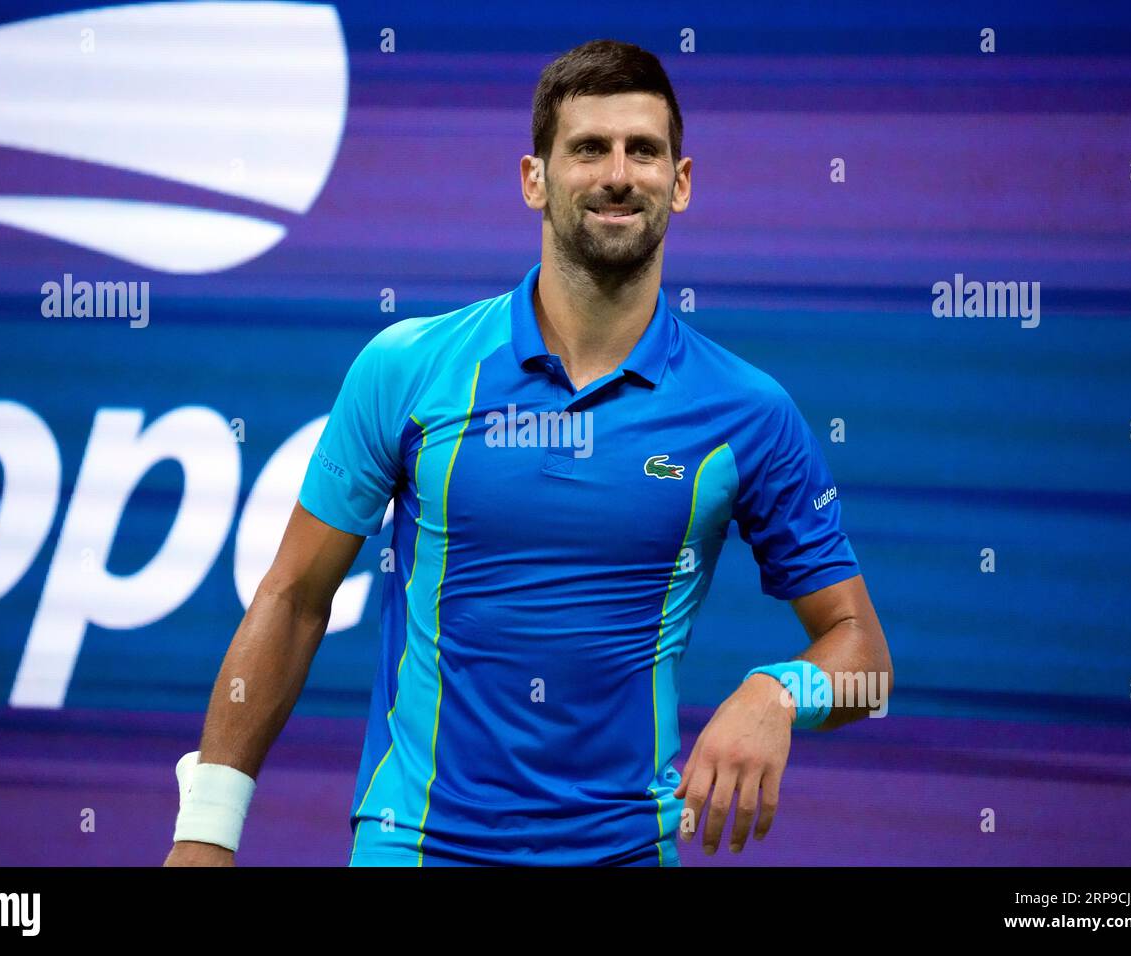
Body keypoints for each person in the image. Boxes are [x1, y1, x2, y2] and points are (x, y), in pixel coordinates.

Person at [165, 38, 892, 868]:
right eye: (588, 148)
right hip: (415, 847)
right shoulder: (408, 368)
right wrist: (207, 831)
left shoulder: (749, 413)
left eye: (643, 151)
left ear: (679, 184)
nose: (618, 173)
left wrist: (778, 693)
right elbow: (294, 597)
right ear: (533, 179)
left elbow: (864, 657)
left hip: (625, 851)